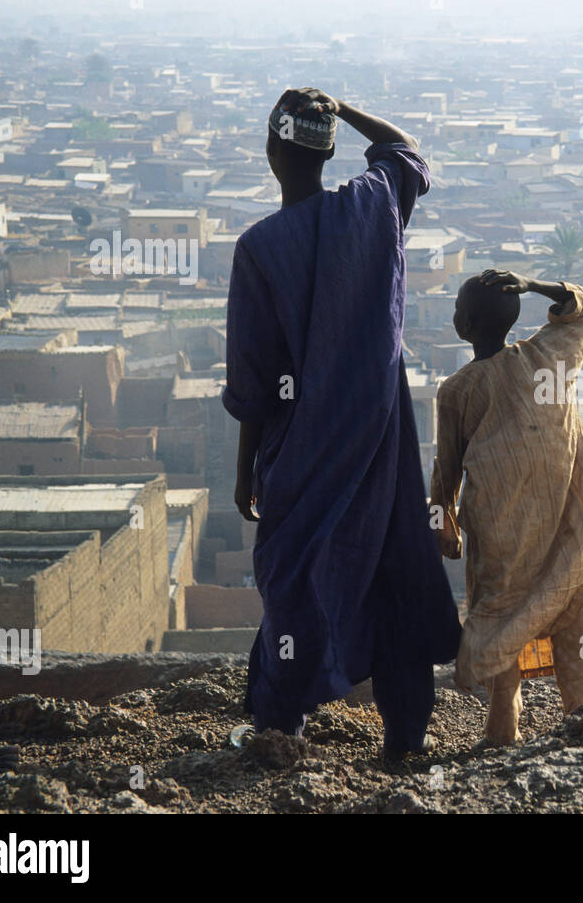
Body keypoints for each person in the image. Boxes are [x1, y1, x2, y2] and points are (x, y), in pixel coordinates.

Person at [223, 87, 460, 759]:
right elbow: (405, 151)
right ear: (327, 153)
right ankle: (404, 737)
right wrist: (346, 106)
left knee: (295, 575)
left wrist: (246, 472)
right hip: (381, 440)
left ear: (272, 153)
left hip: (302, 448)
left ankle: (280, 728)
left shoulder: (260, 250)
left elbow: (254, 382)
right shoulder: (371, 205)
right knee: (393, 569)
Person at [429, 269, 583, 745]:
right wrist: (535, 285)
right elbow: (582, 304)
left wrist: (445, 522)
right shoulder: (549, 355)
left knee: (503, 621)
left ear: (467, 324)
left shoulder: (457, 388)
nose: (455, 317)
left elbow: (447, 468)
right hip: (571, 527)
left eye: (459, 310)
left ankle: (507, 730)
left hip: (506, 536)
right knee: (577, 614)